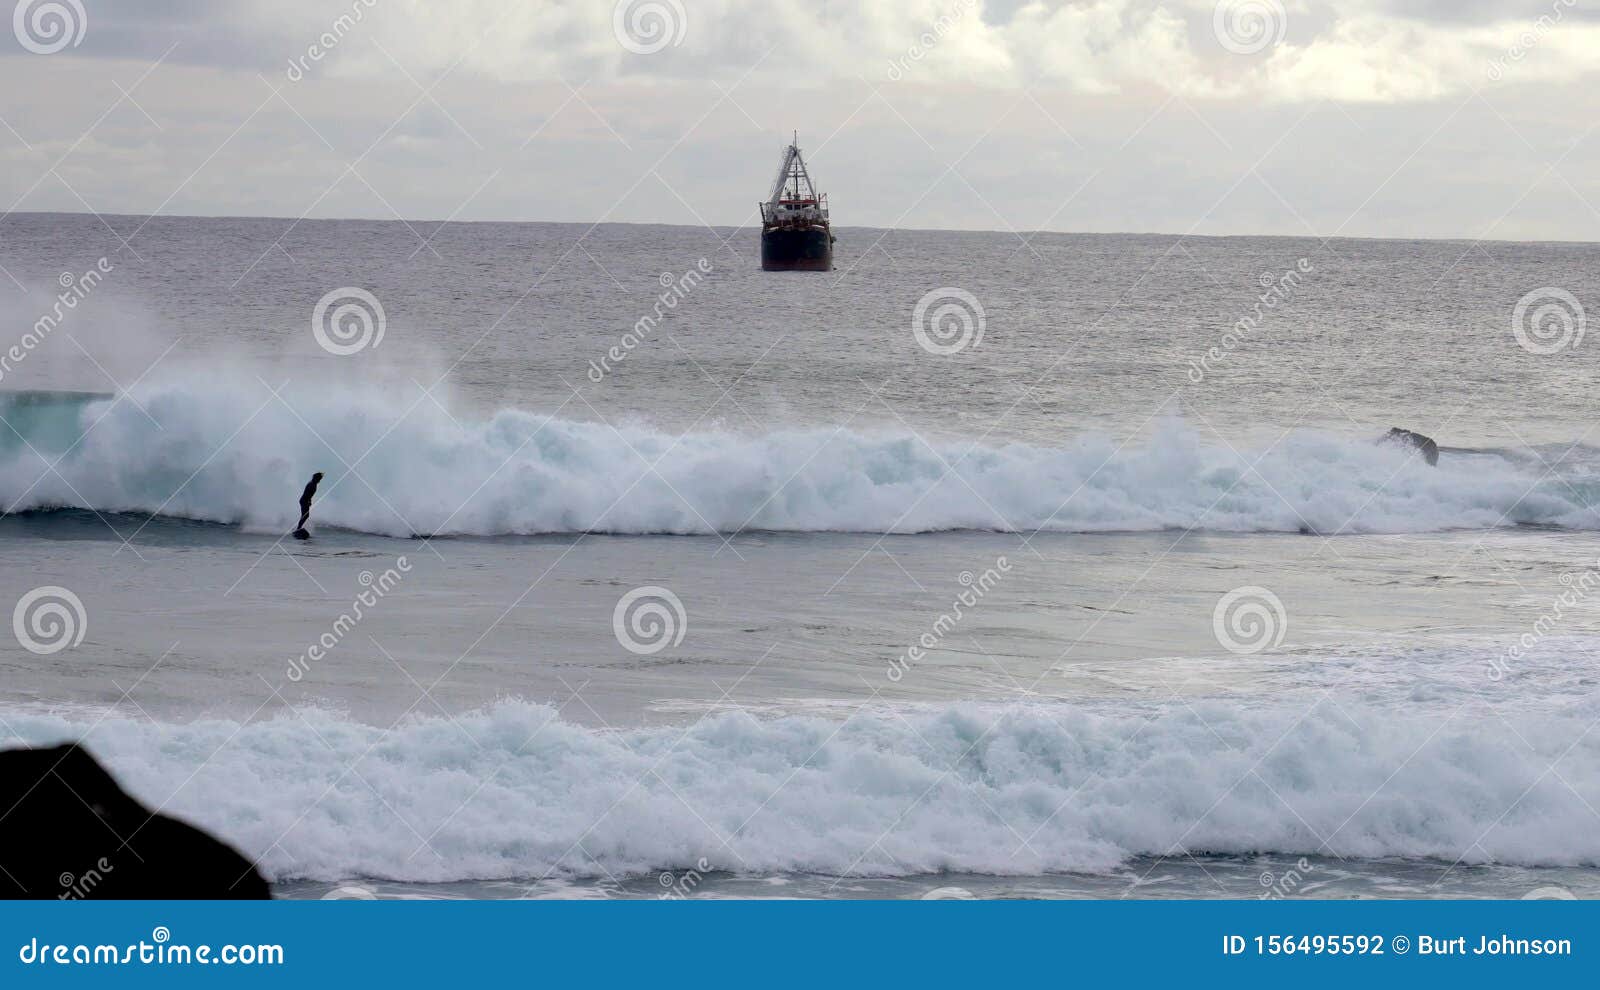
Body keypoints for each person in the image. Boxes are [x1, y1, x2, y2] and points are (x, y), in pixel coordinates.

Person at [295, 472, 323, 536]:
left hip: (305, 500)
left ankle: (298, 528)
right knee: (305, 515)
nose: (320, 480)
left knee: (305, 515)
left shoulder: (314, 483)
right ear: (316, 478)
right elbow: (307, 494)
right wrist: (308, 501)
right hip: (304, 501)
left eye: (320, 479)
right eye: (319, 479)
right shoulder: (311, 484)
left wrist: (310, 501)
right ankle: (298, 528)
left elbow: (310, 494)